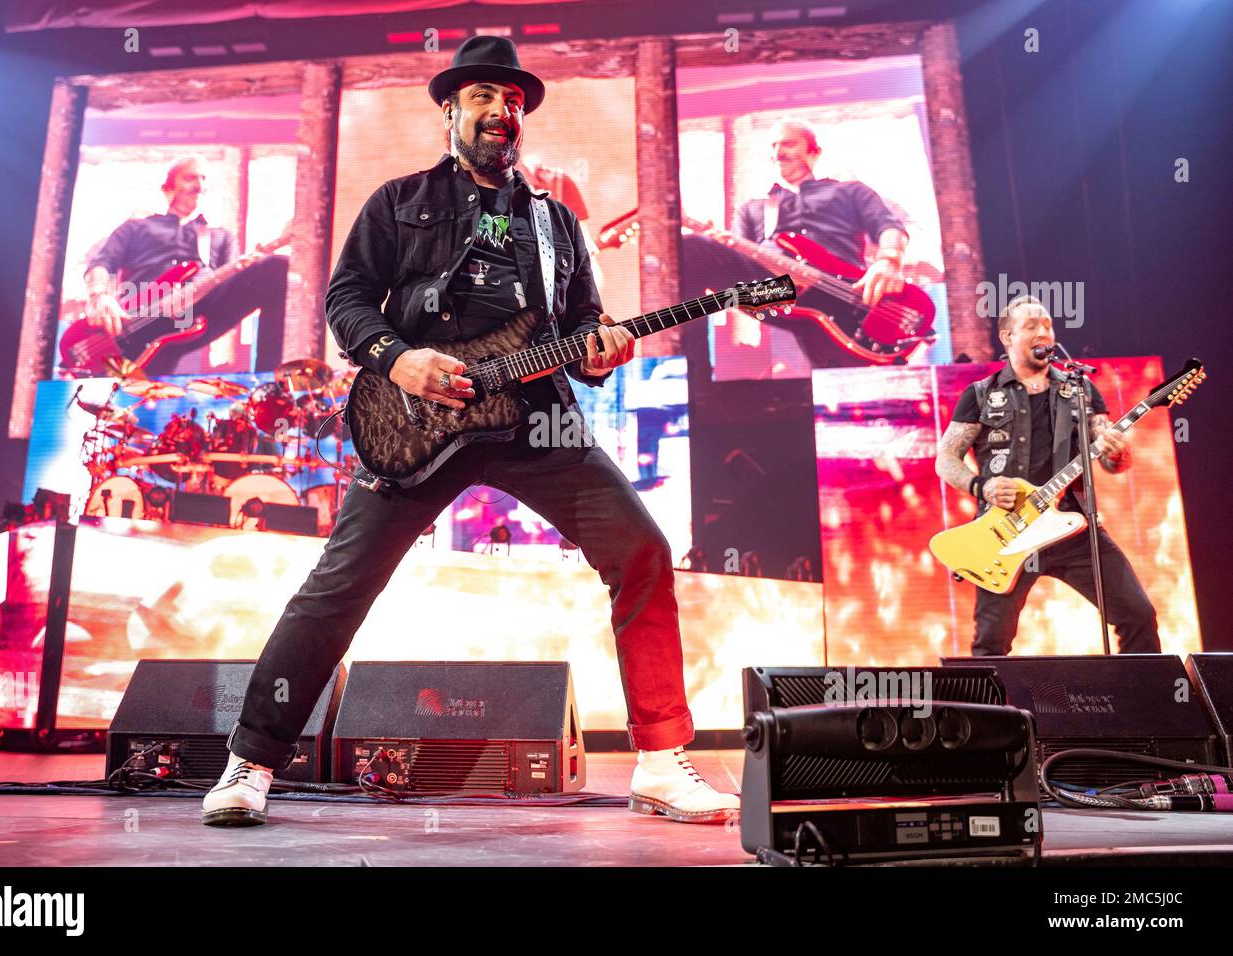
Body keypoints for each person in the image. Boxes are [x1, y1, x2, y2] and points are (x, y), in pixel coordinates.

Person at [202, 36, 739, 827]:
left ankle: (660, 761)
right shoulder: (397, 200)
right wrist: (397, 359)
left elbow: (581, 326)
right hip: (417, 422)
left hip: (536, 418)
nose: (502, 110)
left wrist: (601, 351)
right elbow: (346, 300)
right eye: (484, 95)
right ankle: (250, 763)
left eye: (514, 99)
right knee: (338, 588)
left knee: (642, 553)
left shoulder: (555, 223)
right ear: (450, 107)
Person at [934, 295, 1160, 656]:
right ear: (1007, 337)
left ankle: (1146, 710)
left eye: (1048, 325)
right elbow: (945, 459)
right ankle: (990, 714)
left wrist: (1119, 452)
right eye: (1031, 326)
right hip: (1006, 535)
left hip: (1074, 528)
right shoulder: (979, 395)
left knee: (1138, 615)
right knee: (991, 643)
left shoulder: (1080, 389)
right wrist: (983, 485)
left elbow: (1112, 463)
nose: (1043, 331)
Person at [681, 118, 909, 374]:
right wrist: (715, 243)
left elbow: (889, 226)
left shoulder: (851, 192)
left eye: (788, 144)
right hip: (775, 293)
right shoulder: (752, 209)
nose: (778, 153)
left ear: (815, 152)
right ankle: (695, 375)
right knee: (692, 249)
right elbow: (737, 267)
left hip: (845, 295)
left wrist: (890, 260)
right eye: (774, 146)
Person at [80, 156, 289, 376]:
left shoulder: (221, 236)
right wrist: (99, 294)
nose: (200, 185)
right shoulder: (135, 228)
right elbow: (101, 262)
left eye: (203, 179)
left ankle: (270, 383)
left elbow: (230, 288)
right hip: (136, 319)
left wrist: (254, 264)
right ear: (167, 187)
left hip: (200, 313)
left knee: (276, 268)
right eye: (190, 177)